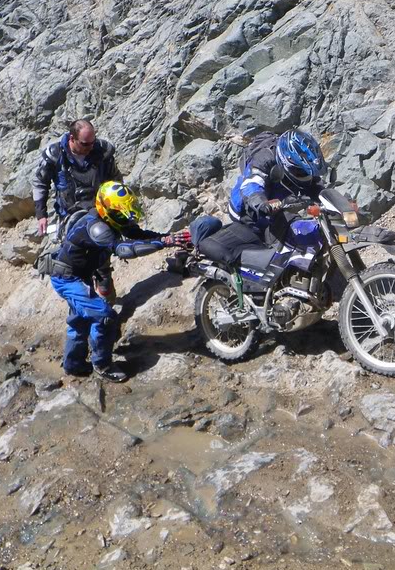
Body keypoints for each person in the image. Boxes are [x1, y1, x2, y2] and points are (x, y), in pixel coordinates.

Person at [45, 181, 191, 381]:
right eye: (121, 214)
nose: (125, 218)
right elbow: (124, 249)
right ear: (106, 209)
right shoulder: (97, 228)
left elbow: (138, 235)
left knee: (80, 320)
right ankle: (102, 364)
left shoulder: (112, 221)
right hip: (68, 278)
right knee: (104, 316)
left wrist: (168, 238)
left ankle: (73, 364)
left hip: (78, 275)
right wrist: (163, 243)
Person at [199, 129, 328, 265]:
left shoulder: (300, 166)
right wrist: (261, 203)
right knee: (278, 252)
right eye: (300, 171)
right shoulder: (264, 158)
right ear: (287, 161)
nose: (304, 175)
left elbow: (316, 186)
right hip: (249, 212)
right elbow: (251, 185)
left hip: (278, 207)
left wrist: (334, 201)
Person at [33, 120, 121, 237]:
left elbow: (116, 179)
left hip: (102, 214)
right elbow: (40, 183)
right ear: (72, 138)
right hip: (70, 218)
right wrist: (41, 215)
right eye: (85, 144)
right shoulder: (55, 155)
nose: (90, 147)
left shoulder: (102, 152)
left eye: (93, 142)